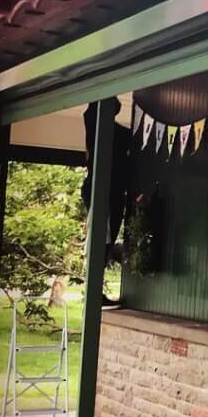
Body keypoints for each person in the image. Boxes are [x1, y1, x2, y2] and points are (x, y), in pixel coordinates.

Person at [81, 97, 132, 303]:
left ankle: (94, 290)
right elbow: (123, 137)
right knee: (103, 238)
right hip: (105, 191)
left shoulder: (101, 129)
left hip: (105, 189)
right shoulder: (98, 126)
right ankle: (94, 291)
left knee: (103, 239)